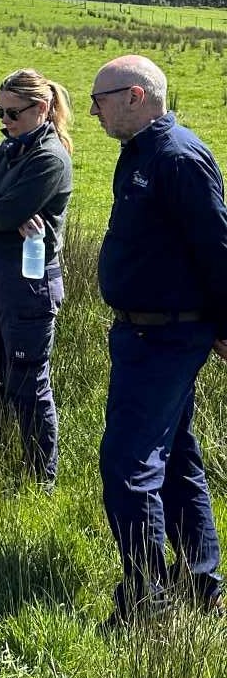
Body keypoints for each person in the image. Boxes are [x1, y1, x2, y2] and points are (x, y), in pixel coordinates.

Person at [91, 54, 227, 626]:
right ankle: (201, 580)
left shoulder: (178, 158)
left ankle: (147, 599)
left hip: (168, 335)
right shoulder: (139, 156)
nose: (92, 107)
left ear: (137, 97)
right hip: (142, 333)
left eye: (101, 97)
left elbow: (218, 248)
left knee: (128, 466)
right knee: (175, 461)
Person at [0, 69, 74, 485]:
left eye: (12, 113)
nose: (4, 122)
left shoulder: (49, 159)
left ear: (41, 109)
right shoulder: (8, 148)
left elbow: (1, 213)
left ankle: (40, 476)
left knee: (27, 378)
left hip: (28, 282)